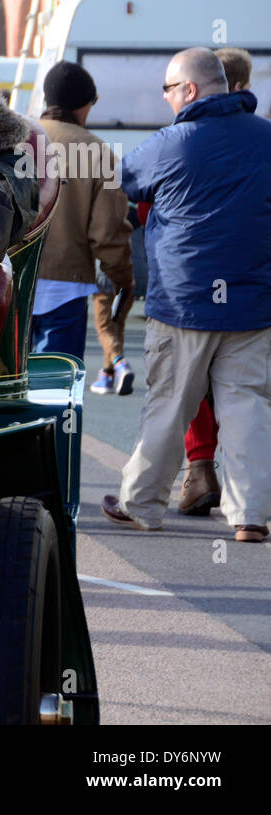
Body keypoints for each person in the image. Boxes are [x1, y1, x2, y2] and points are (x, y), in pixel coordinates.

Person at [102, 47, 271, 542]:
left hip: (185, 301)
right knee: (248, 405)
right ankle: (252, 515)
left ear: (190, 91)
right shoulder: (266, 138)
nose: (167, 98)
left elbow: (127, 178)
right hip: (253, 301)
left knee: (169, 402)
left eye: (169, 89)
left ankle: (141, 504)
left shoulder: (170, 143)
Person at [173, 46, 252, 515]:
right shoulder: (260, 138)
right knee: (244, 393)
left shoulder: (185, 138)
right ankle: (248, 507)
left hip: (195, 284)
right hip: (250, 287)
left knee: (189, 387)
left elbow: (145, 203)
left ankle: (196, 474)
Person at [24, 61, 134, 369]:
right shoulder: (102, 154)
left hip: (13, 280)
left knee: (7, 388)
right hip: (67, 288)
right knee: (57, 389)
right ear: (84, 104)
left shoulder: (15, 139)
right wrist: (122, 280)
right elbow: (108, 234)